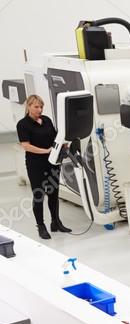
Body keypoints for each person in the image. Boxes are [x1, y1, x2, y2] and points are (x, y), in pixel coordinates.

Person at [16, 95, 70, 240]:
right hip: (36, 164)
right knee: (39, 195)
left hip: (52, 162)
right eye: (36, 107)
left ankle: (56, 222)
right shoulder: (23, 124)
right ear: (28, 107)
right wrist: (46, 151)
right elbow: (25, 145)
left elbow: (55, 137)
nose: (39, 110)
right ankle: (41, 226)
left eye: (41, 107)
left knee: (53, 193)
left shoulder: (46, 120)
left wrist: (62, 145)